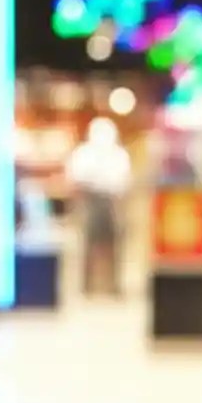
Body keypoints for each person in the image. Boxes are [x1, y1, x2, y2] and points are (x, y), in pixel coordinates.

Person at [68, 117, 132, 296]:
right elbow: (76, 178)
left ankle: (113, 285)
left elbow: (124, 181)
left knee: (115, 245)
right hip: (90, 200)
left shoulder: (119, 155)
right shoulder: (83, 153)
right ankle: (87, 286)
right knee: (88, 244)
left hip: (112, 202)